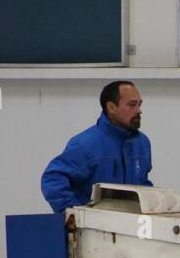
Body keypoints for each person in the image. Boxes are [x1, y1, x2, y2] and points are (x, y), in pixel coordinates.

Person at [40, 80, 153, 212]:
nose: (139, 111)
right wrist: (74, 213)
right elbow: (53, 179)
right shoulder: (86, 144)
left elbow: (142, 185)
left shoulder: (142, 143)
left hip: (132, 227)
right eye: (132, 105)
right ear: (111, 107)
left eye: (139, 104)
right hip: (94, 229)